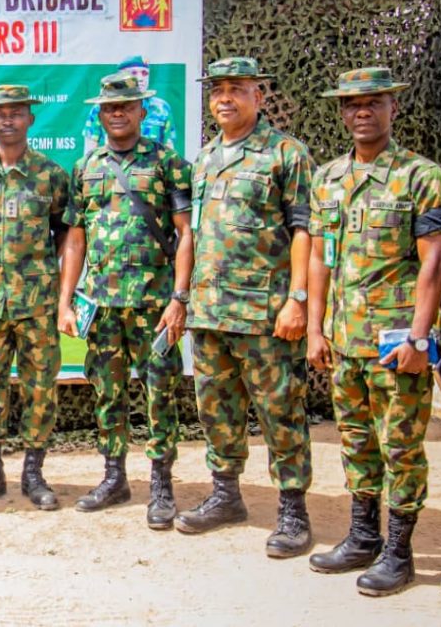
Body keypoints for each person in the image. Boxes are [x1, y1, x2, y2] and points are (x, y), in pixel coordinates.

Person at [305, 67, 441, 596]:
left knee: (402, 448)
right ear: (342, 113)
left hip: (396, 344)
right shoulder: (327, 178)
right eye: (351, 104)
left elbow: (434, 266)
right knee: (356, 442)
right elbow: (320, 259)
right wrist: (315, 329)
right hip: (345, 340)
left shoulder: (423, 177)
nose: (361, 112)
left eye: (373, 102)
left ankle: (400, 552)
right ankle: (363, 535)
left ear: (393, 107)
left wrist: (419, 339)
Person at [176, 57, 315, 559]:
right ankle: (226, 495)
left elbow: (304, 230)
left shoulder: (286, 154)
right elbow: (193, 234)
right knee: (216, 409)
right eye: (218, 90)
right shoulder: (205, 158)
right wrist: (185, 298)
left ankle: (293, 510)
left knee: (281, 410)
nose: (225, 98)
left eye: (237, 88)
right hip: (210, 311)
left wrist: (297, 299)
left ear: (260, 94)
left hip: (265, 313)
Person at [59, 71, 193, 528]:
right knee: (107, 393)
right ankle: (114, 476)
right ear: (100, 114)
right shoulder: (86, 166)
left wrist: (179, 297)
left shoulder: (167, 164)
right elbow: (75, 240)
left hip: (154, 307)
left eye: (126, 106)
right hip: (102, 307)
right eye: (109, 108)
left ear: (141, 111)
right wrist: (65, 301)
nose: (117, 114)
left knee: (160, 393)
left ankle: (161, 485)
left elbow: (185, 233)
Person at [0, 84, 69, 511]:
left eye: (16, 113)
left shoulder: (51, 175)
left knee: (40, 388)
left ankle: (34, 473)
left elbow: (66, 233)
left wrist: (50, 280)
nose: (7, 120)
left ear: (30, 119)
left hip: (37, 303)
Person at [82, 56, 176, 154]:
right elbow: (90, 148)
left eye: (144, 73)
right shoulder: (99, 108)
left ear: (142, 114)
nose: (140, 78)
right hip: (109, 166)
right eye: (134, 73)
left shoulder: (161, 108)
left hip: (153, 165)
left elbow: (169, 146)